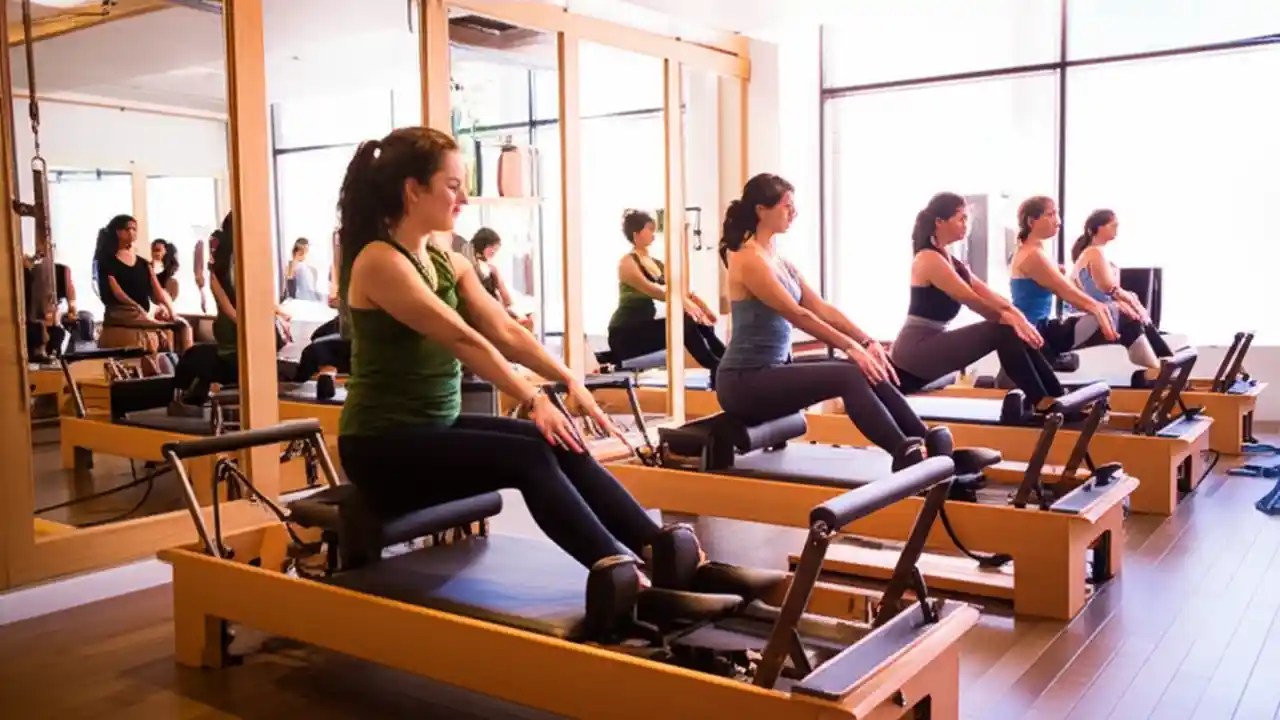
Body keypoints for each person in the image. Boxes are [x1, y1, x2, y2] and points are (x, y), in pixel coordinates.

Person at [334, 126, 688, 591]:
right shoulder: (380, 261)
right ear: (413, 190)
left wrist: (570, 381)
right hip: (382, 448)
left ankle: (653, 545)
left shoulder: (445, 259)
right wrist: (532, 396)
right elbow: (464, 339)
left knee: (559, 442)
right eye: (453, 186)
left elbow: (502, 329)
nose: (463, 199)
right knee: (527, 455)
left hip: (433, 429)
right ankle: (616, 569)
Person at [714, 173, 932, 466]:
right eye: (786, 205)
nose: (794, 212)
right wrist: (850, 347)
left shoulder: (779, 261)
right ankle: (904, 453)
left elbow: (820, 308)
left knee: (858, 367)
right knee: (849, 373)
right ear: (761, 210)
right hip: (744, 382)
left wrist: (867, 343)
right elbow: (797, 314)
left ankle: (925, 440)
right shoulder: (747, 259)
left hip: (772, 371)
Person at [889, 192, 1065, 408]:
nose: (966, 224)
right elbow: (970, 299)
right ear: (940, 222)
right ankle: (1044, 402)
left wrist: (1020, 319)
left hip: (930, 344)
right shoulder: (928, 259)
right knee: (1002, 330)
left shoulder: (950, 260)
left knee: (1010, 328)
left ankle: (1056, 396)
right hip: (914, 351)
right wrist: (1009, 321)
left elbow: (989, 295)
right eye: (961, 218)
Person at [1010, 197, 1171, 371]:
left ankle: (1160, 367)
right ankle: (1157, 369)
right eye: (1051, 214)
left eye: (1057, 213)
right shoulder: (1032, 255)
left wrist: (1106, 308)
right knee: (1122, 314)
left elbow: (1066, 287)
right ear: (1032, 221)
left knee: (1124, 314)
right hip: (1036, 333)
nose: (1058, 220)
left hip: (1042, 329)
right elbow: (1066, 291)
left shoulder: (1037, 251)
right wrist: (1099, 309)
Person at [606, 209, 724, 382]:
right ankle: (716, 367)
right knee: (682, 321)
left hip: (644, 328)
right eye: (649, 229)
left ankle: (728, 363)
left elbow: (679, 291)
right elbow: (654, 290)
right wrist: (685, 303)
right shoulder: (627, 263)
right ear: (636, 233)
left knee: (699, 324)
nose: (653, 233)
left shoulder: (656, 264)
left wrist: (703, 311)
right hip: (624, 335)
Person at [1069, 209, 1173, 360]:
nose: (1116, 227)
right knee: (1134, 315)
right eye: (1112, 224)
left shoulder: (1096, 254)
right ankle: (1163, 361)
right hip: (1101, 314)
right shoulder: (1093, 252)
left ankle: (1162, 359)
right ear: (1095, 229)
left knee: (1137, 315)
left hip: (1105, 311)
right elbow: (1109, 288)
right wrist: (1134, 304)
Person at [94, 214, 192, 373]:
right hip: (122, 313)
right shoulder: (106, 261)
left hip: (142, 313)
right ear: (118, 232)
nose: (132, 232)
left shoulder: (143, 263)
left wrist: (170, 310)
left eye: (134, 229)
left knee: (182, 325)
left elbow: (158, 291)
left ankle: (186, 372)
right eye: (128, 229)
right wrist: (136, 307)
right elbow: (117, 292)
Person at [209, 212, 294, 384]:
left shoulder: (247, 255)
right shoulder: (225, 255)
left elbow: (257, 294)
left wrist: (278, 312)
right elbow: (222, 297)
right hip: (232, 328)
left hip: (244, 323)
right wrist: (245, 323)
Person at [471, 227, 534, 331]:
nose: (494, 253)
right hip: (489, 313)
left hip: (494, 310)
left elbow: (505, 298)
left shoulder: (487, 267)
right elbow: (506, 298)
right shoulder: (481, 268)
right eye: (493, 249)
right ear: (485, 246)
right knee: (527, 321)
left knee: (527, 318)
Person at [285, 237, 324, 302]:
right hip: (301, 299)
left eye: (306, 251)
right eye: (305, 251)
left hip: (309, 297)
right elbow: (289, 283)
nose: (306, 254)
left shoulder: (306, 266)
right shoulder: (291, 265)